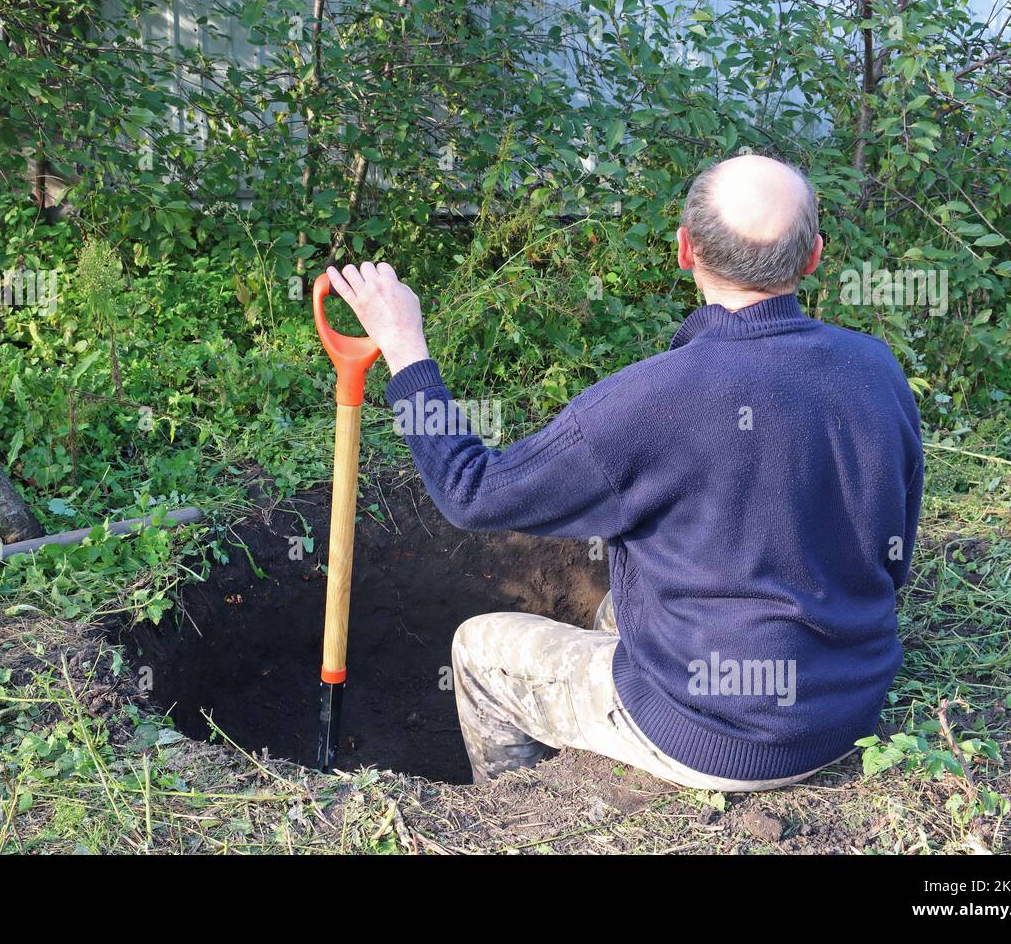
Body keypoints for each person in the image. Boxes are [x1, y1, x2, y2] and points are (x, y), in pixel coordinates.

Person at [324, 153, 924, 789]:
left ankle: (509, 814)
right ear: (813, 257)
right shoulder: (875, 369)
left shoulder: (652, 401)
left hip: (716, 732)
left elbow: (472, 493)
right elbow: (894, 559)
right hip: (851, 704)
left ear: (685, 249)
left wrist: (404, 349)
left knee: (480, 648)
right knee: (617, 606)